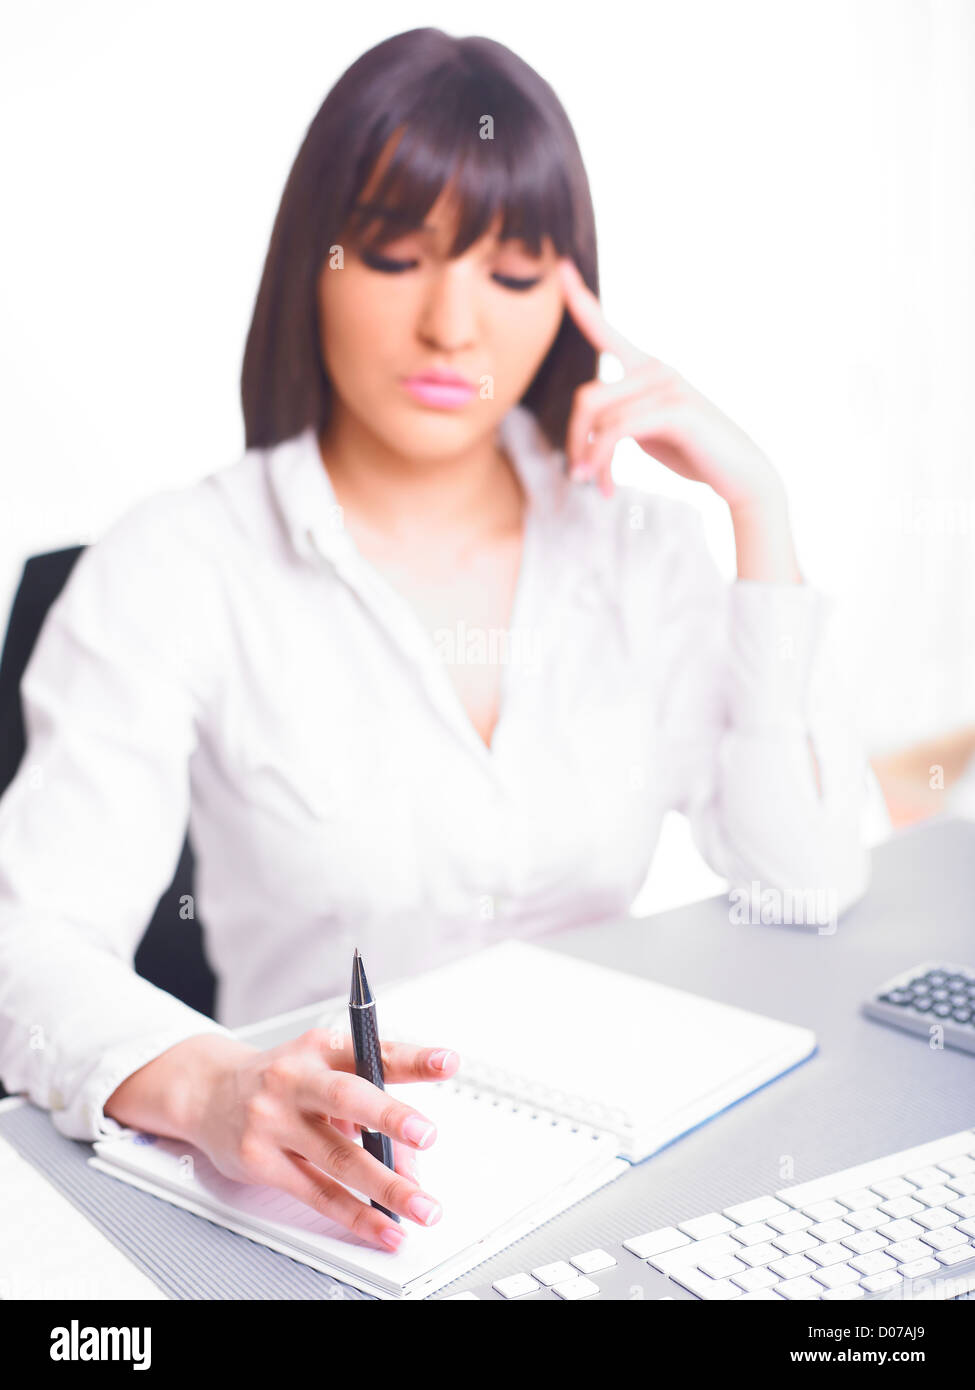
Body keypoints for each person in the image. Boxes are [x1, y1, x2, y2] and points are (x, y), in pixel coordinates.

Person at [0, 27, 872, 1254]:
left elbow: (807, 886)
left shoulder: (645, 556)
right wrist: (209, 1086)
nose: (452, 325)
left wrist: (760, 513)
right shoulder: (180, 564)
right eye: (402, 257)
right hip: (325, 1208)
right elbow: (26, 939)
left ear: (572, 294)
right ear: (318, 262)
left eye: (514, 273)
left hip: (618, 1181)